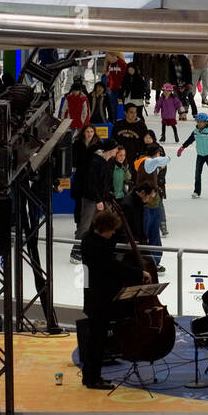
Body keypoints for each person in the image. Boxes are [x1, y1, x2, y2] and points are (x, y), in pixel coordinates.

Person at [79, 210, 149, 389]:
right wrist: (139, 272)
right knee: (96, 341)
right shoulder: (95, 246)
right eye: (111, 230)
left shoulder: (90, 238)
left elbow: (112, 239)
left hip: (96, 297)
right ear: (104, 229)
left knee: (96, 340)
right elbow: (113, 267)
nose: (112, 234)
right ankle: (93, 379)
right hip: (100, 299)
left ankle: (90, 376)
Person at [72, 140, 117, 264]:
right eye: (116, 148)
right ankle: (76, 250)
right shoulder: (96, 161)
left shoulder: (107, 162)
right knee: (85, 225)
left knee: (105, 222)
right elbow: (91, 183)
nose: (117, 151)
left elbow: (105, 182)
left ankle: (99, 248)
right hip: (90, 198)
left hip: (100, 199)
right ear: (111, 149)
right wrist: (98, 199)